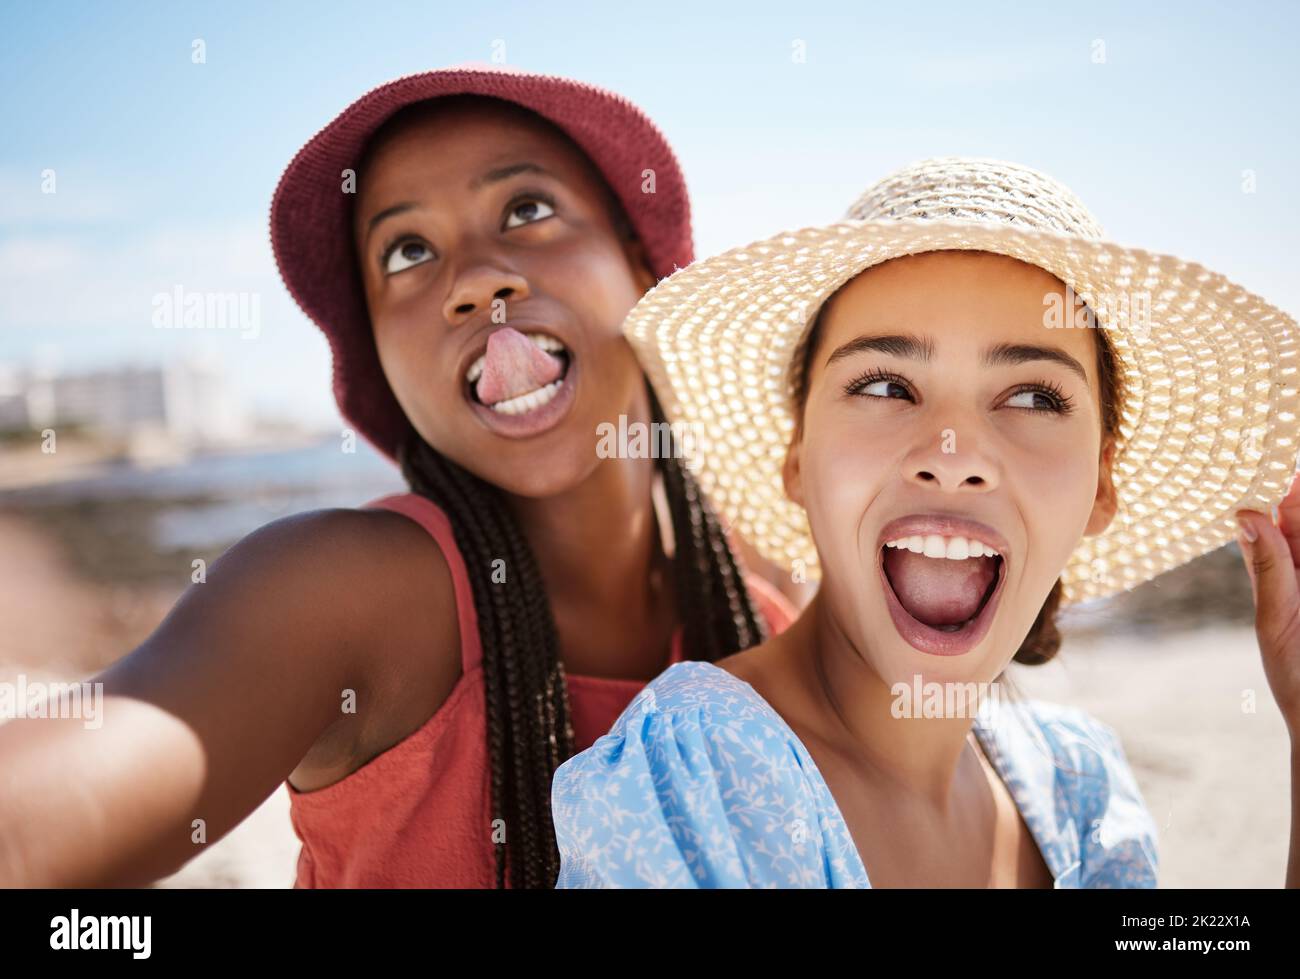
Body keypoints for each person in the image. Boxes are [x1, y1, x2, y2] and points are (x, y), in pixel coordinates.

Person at [0, 65, 795, 889]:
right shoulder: (346, 591)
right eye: (408, 251)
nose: (476, 281)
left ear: (640, 267)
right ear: (381, 354)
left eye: (527, 209)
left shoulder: (766, 622)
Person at [551, 156, 1300, 887]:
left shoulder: (1082, 791)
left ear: (1102, 483)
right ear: (798, 457)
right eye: (884, 384)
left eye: (1035, 397)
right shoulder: (698, 780)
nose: (953, 455)